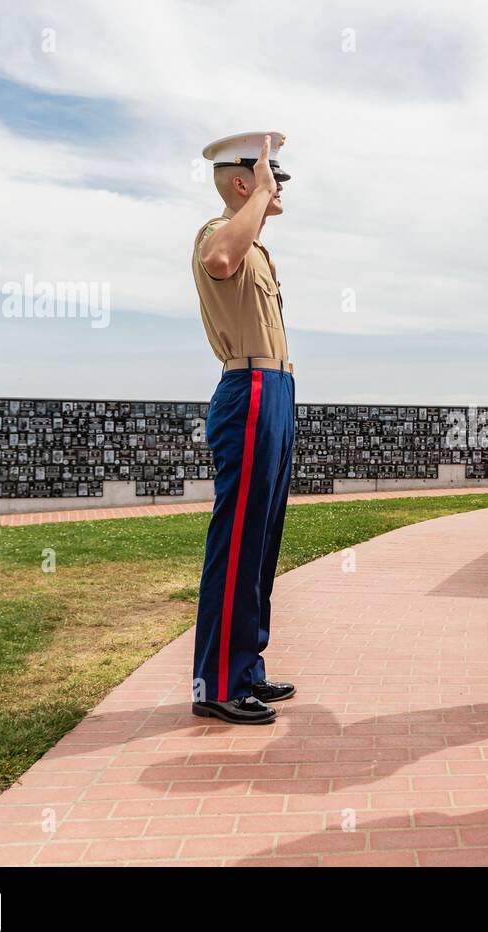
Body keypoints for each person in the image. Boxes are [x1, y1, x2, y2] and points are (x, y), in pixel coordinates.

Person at [189, 131, 298, 724]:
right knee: (236, 543)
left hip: (276, 389)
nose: (280, 190)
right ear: (243, 183)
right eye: (272, 179)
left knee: (260, 540)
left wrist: (258, 197)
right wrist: (259, 194)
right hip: (250, 389)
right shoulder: (219, 232)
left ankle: (246, 668)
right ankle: (217, 682)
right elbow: (219, 260)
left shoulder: (256, 246)